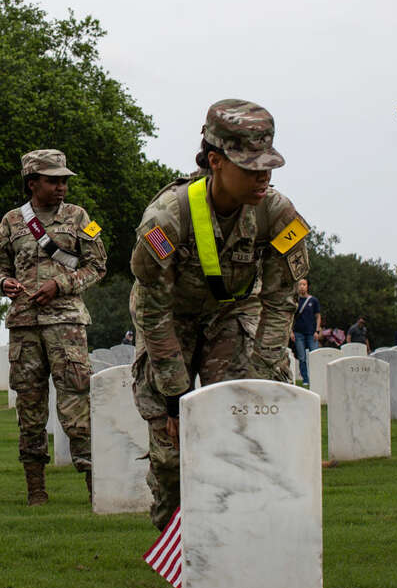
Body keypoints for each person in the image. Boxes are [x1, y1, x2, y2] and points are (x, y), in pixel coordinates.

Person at [130, 99, 309, 531]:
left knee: (243, 430)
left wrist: (263, 378)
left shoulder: (278, 213)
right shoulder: (167, 218)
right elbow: (152, 308)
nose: (263, 177)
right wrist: (174, 396)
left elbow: (281, 299)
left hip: (234, 311)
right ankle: (177, 544)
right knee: (171, 453)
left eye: (268, 166)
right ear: (215, 161)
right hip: (171, 319)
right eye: (250, 167)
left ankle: (241, 539)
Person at [0, 150, 107, 505]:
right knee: (30, 408)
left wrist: (62, 285)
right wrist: (3, 284)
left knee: (76, 404)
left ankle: (95, 485)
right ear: (32, 183)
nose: (61, 186)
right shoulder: (11, 222)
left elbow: (98, 265)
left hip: (66, 326)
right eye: (53, 180)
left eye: (64, 180)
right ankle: (36, 490)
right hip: (25, 326)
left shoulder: (79, 217)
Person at [292, 278, 321, 384]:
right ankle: (305, 379)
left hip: (311, 333)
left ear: (307, 286)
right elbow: (291, 317)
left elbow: (318, 316)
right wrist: (291, 332)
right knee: (302, 357)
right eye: (300, 284)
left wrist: (317, 331)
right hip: (298, 332)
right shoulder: (294, 300)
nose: (302, 286)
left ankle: (316, 378)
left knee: (314, 356)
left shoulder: (313, 301)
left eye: (304, 284)